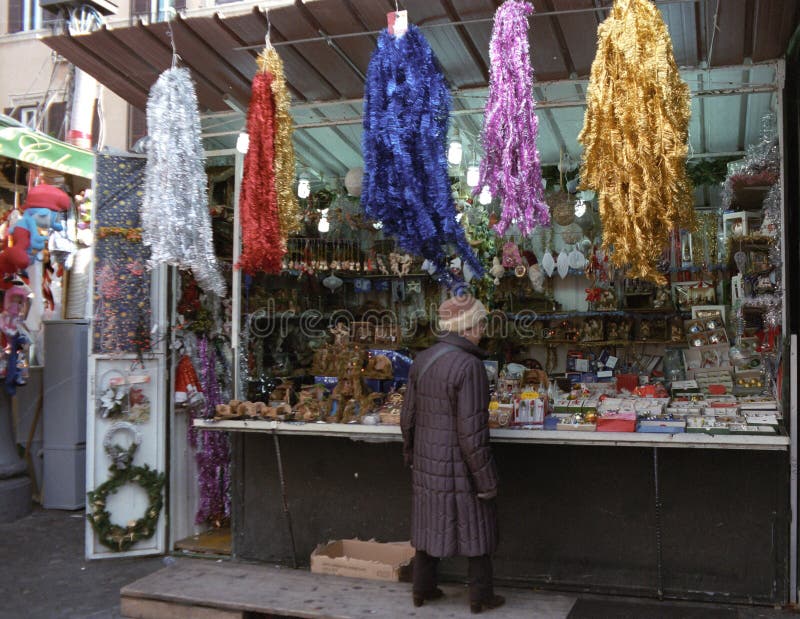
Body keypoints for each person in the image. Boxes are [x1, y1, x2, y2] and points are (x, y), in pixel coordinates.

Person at [401, 293, 503, 614]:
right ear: (466, 327)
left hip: (428, 464)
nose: (484, 328)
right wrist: (487, 481)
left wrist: (412, 456)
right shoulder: (469, 366)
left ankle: (423, 589)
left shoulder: (422, 360)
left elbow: (408, 418)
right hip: (461, 466)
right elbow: (473, 433)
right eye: (481, 322)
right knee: (477, 533)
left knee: (430, 525)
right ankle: (481, 597)